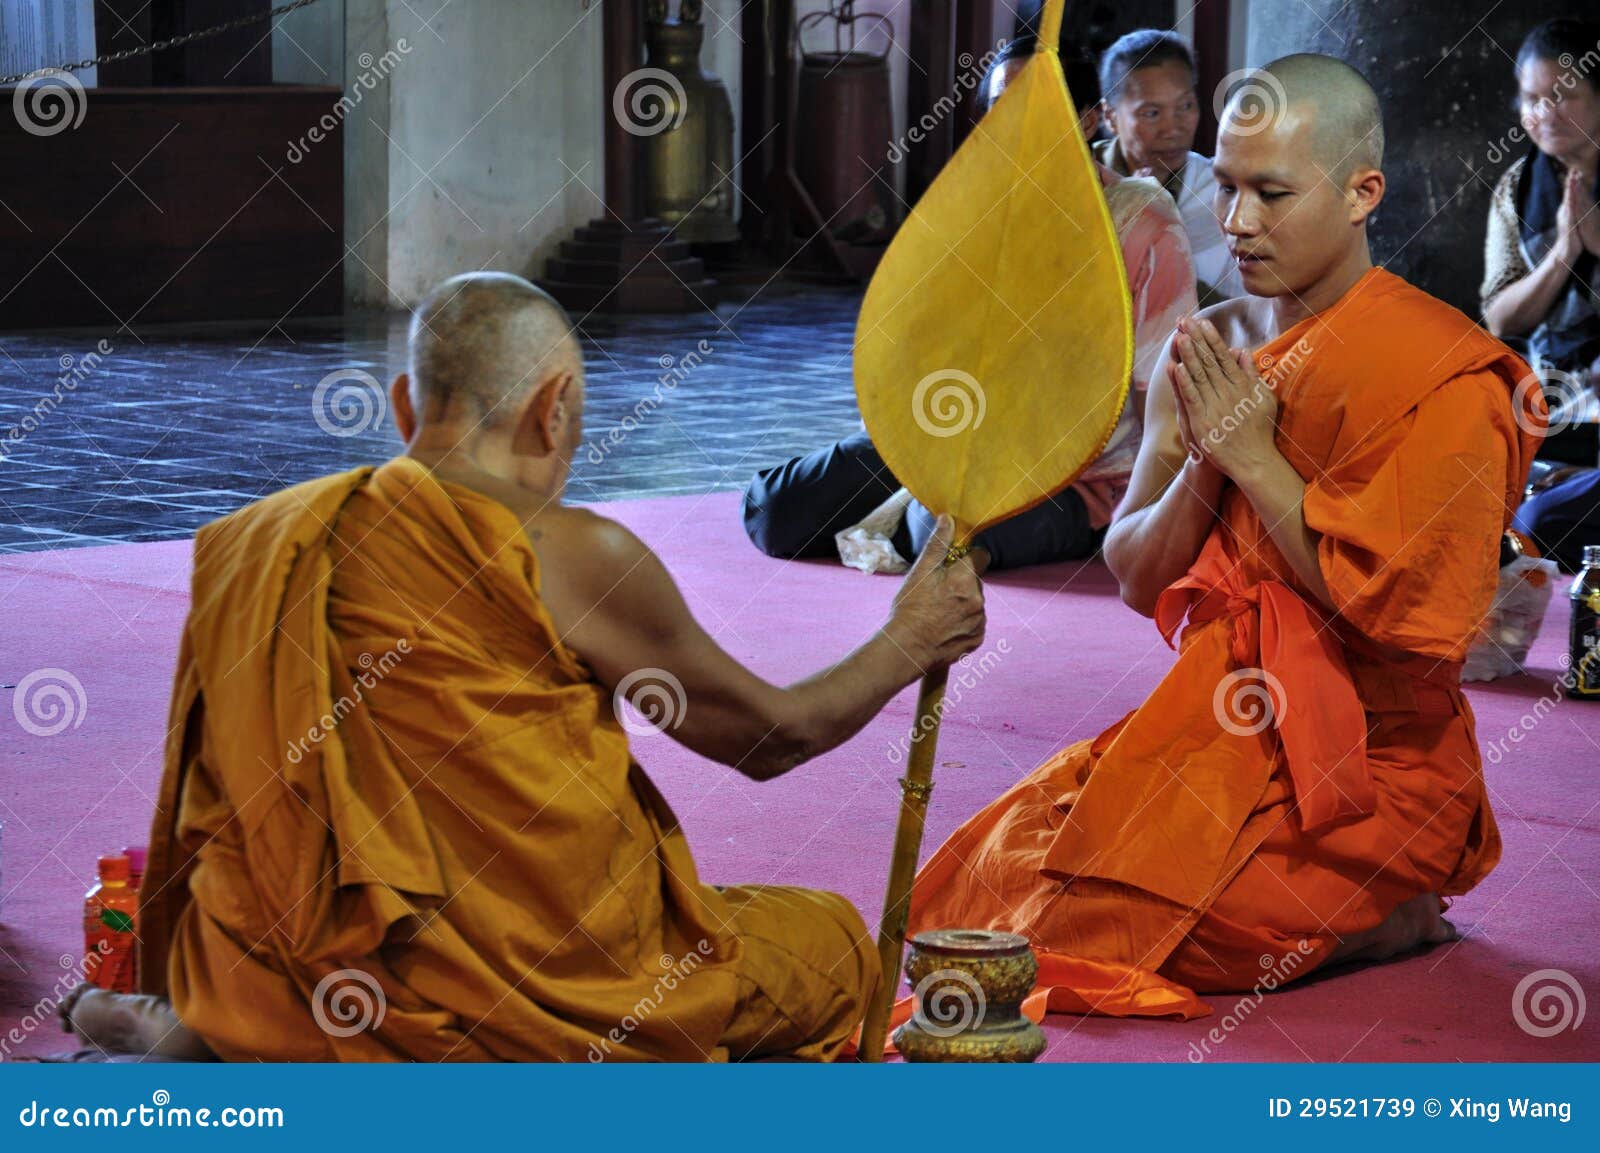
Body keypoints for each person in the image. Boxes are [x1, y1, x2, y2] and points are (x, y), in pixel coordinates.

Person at [60, 272, 986, 1062]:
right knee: (832, 946)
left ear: (402, 406)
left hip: (304, 978)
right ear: (552, 411)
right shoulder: (571, 552)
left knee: (284, 989)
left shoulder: (262, 542)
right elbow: (769, 738)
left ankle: (207, 1030)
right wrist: (911, 636)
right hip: (547, 997)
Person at [906, 54, 1544, 1020]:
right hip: (1225, 727)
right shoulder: (1207, 348)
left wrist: (1256, 459)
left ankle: (1400, 911)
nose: (1235, 222)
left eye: (1271, 194)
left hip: (1377, 763)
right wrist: (1211, 457)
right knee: (1003, 885)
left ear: (1362, 191)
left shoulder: (1440, 373)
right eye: (1230, 187)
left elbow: (1414, 625)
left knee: (1198, 932)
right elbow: (1130, 571)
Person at [742, 38, 1197, 574]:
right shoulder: (973, 210)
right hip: (956, 432)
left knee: (935, 531)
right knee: (775, 510)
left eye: (1043, 111)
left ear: (1089, 119)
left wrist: (1148, 516)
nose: (1021, 129)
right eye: (1004, 112)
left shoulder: (1140, 220)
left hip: (1079, 473)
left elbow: (1161, 389)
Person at [1483, 18, 1600, 572]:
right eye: (1531, 98)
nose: (1543, 113)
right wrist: (1563, 255)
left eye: (1562, 96)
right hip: (1551, 412)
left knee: (1536, 527)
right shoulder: (1519, 186)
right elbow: (1499, 317)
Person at [1094, 28, 1244, 306]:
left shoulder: (1219, 188)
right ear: (1110, 117)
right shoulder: (1083, 183)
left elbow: (1242, 309)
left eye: (1185, 106)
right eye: (1151, 113)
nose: (1173, 128)